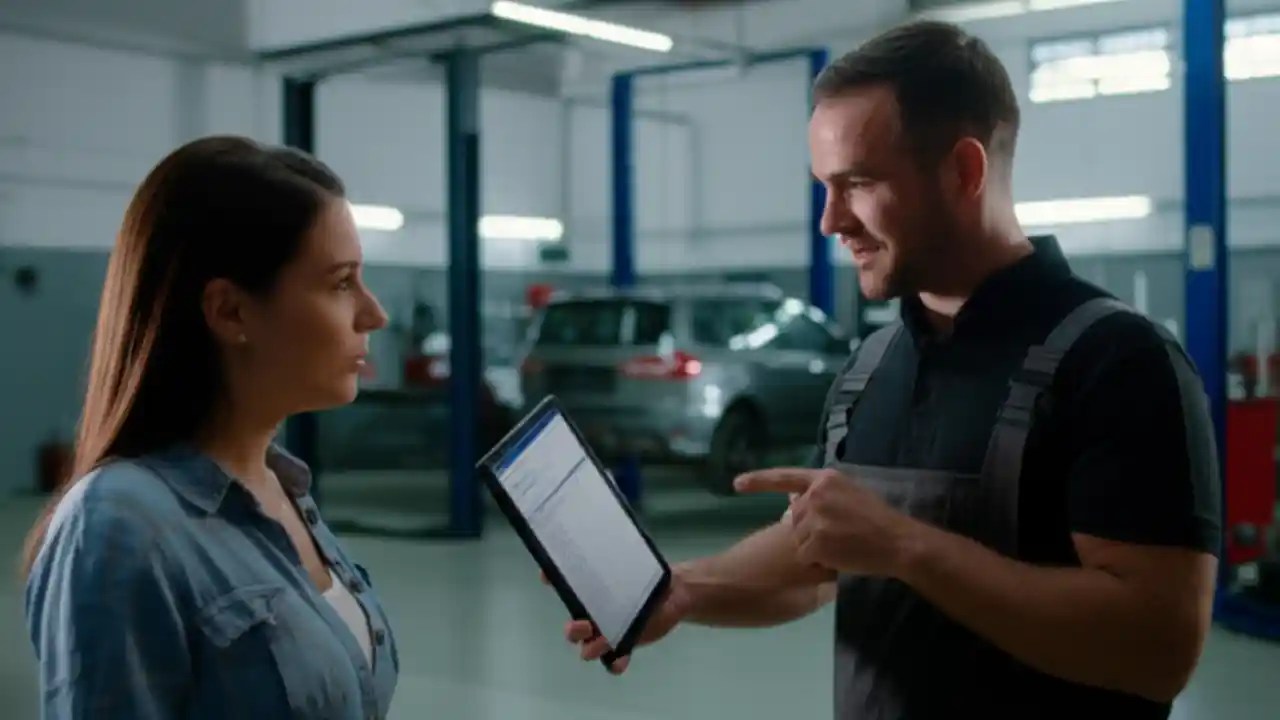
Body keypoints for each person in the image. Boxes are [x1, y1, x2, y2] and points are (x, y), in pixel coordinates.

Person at [560, 20, 1221, 719]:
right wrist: (686, 590)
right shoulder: (872, 366)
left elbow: (1157, 650)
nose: (830, 221)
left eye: (858, 183)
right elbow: (818, 562)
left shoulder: (1118, 363)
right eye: (824, 186)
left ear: (966, 171)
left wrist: (906, 546)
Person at [21, 136, 400, 719]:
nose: (374, 314)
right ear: (230, 311)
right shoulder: (120, 525)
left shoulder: (282, 487)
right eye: (341, 282)